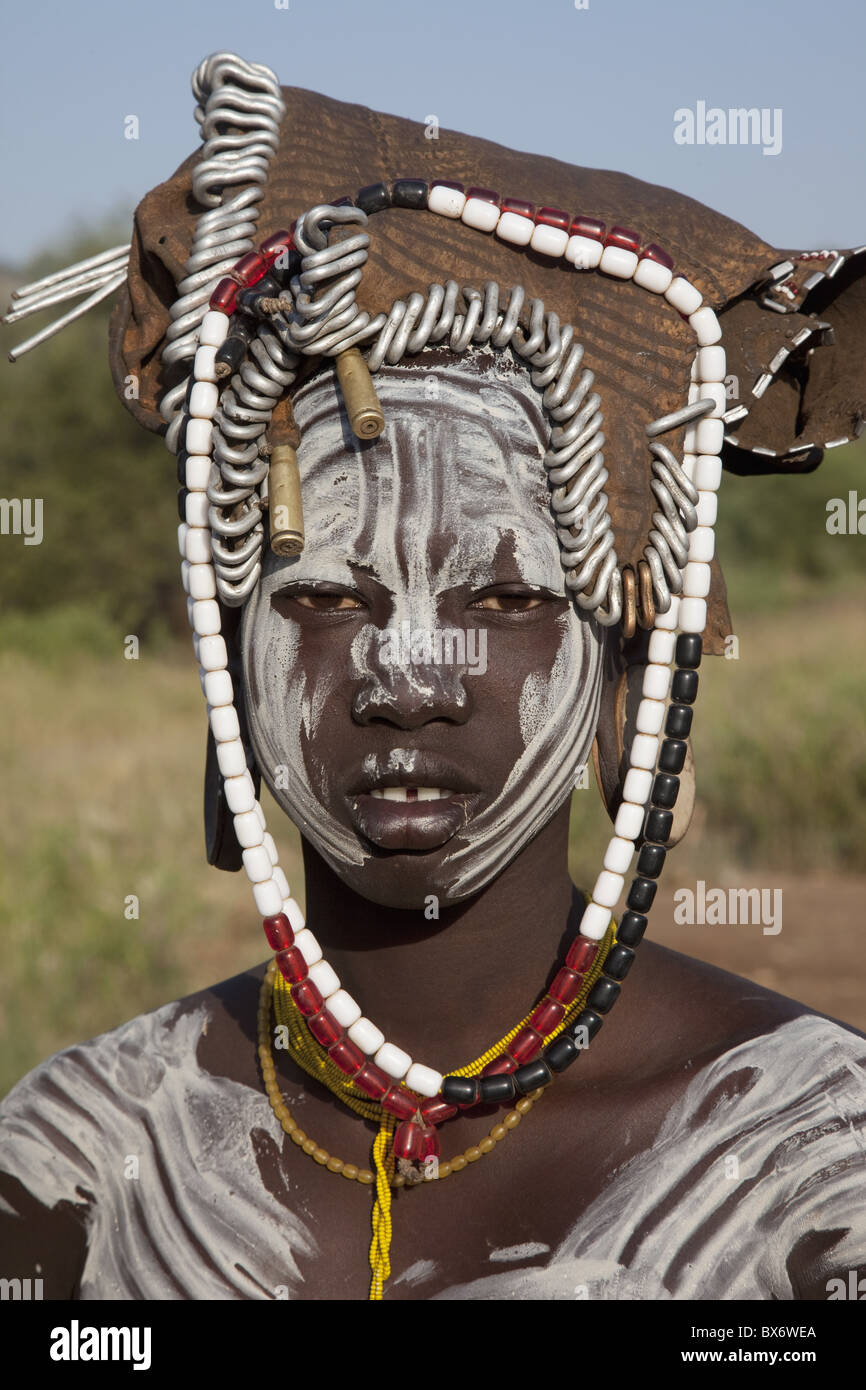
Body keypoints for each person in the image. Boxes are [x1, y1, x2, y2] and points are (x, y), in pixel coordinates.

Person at [1, 51, 864, 1302]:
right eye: (326, 599)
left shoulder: (805, 1163)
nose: (409, 677)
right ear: (229, 676)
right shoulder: (84, 1158)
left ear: (628, 675)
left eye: (505, 599)